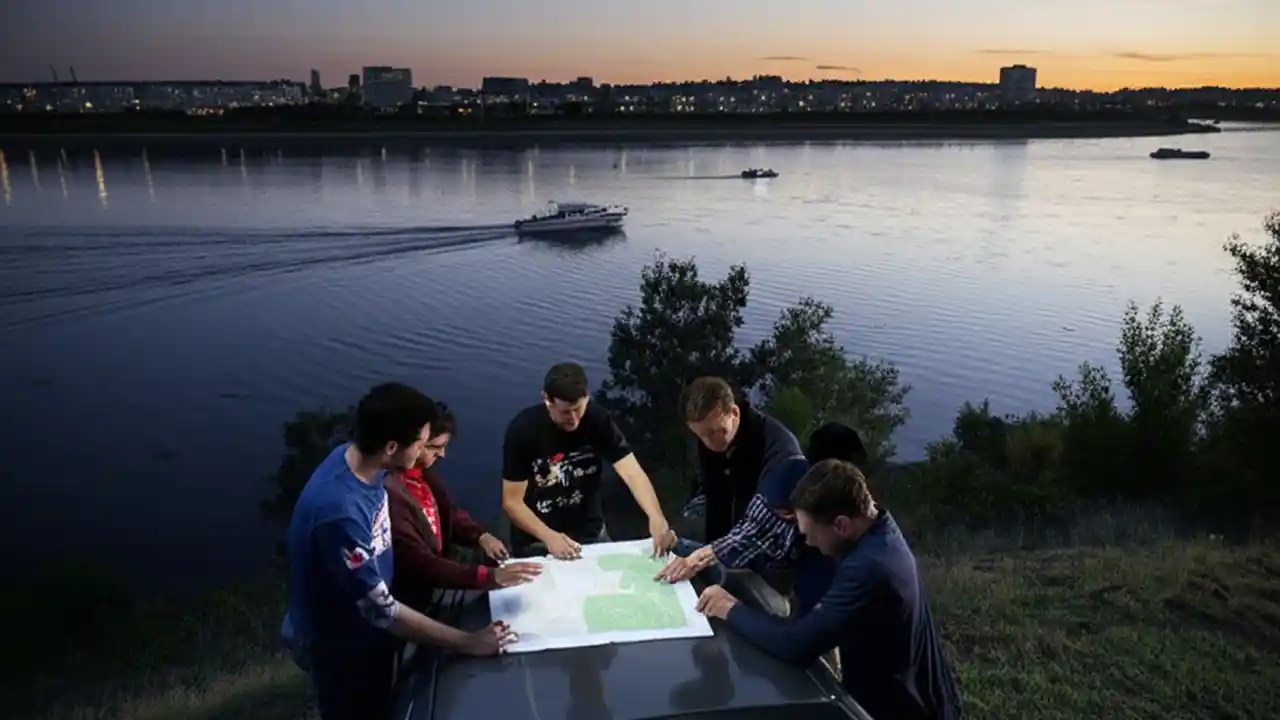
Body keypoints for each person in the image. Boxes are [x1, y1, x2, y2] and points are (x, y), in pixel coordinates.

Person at [283, 383, 517, 720]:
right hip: (343, 645)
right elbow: (382, 610)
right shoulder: (339, 513)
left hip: (369, 634)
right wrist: (468, 641)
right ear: (391, 446)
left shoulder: (364, 463)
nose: (425, 453)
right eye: (421, 444)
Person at [695, 459, 961, 720]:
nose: (808, 542)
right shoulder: (877, 530)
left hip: (905, 708)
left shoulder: (869, 568)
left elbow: (795, 645)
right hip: (916, 692)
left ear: (842, 525)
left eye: (812, 534)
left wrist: (730, 609)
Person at [501, 362, 676, 560]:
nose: (574, 419)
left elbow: (631, 471)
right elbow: (512, 502)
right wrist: (549, 537)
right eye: (566, 412)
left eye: (578, 409)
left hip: (589, 532)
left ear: (587, 398)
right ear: (547, 400)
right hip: (536, 539)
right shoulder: (524, 430)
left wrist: (656, 516)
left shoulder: (598, 421)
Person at [387, 401, 543, 613]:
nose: (442, 455)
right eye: (435, 447)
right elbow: (419, 564)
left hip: (438, 568)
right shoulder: (392, 496)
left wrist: (480, 536)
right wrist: (489, 577)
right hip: (415, 595)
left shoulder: (422, 474)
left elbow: (448, 511)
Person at [655, 376, 805, 587]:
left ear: (734, 413)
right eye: (703, 436)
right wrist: (677, 531)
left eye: (717, 432)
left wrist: (699, 558)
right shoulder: (713, 441)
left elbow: (759, 530)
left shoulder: (784, 459)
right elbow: (710, 496)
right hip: (730, 550)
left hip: (773, 564)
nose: (711, 443)